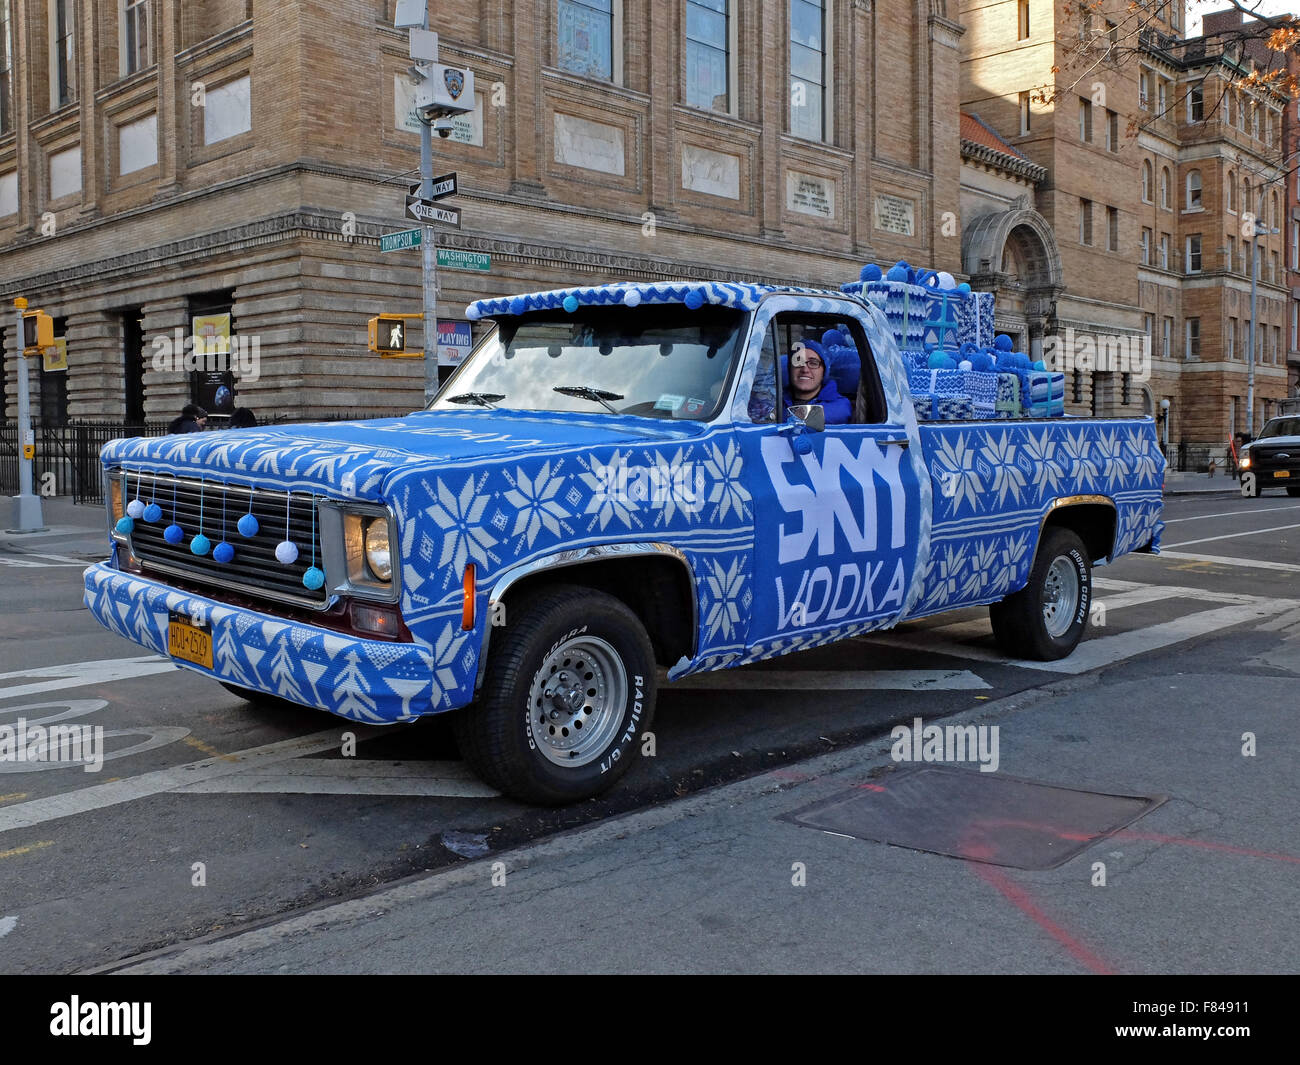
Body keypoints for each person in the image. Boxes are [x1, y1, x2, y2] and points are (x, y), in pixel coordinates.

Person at [787, 341, 852, 425]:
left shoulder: (840, 405)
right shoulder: (776, 399)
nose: (805, 370)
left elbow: (838, 414)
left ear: (824, 371)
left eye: (813, 363)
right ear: (790, 368)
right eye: (798, 362)